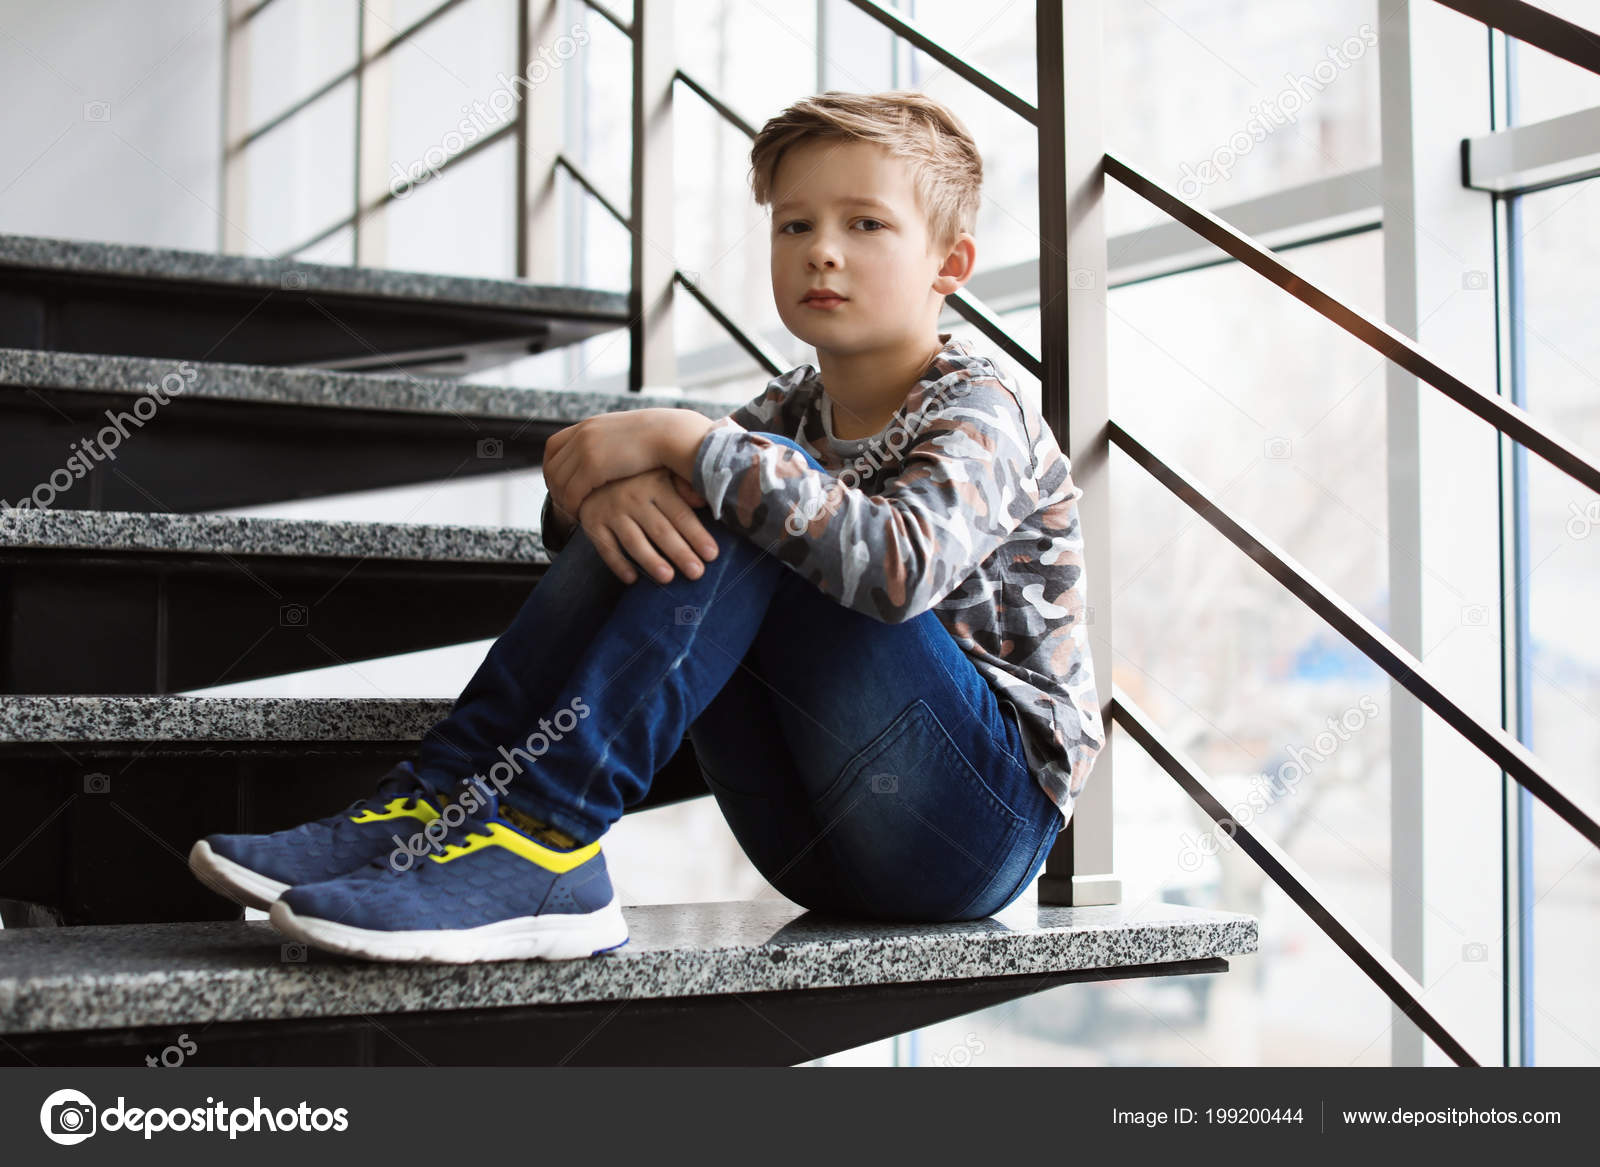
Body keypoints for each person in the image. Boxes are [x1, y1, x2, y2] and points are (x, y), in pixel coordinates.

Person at [187, 89, 1104, 964]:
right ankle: (445, 800)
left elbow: (901, 567)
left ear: (949, 264)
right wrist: (591, 499)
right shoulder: (788, 409)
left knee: (743, 482)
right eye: (795, 225)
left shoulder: (981, 406)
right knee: (719, 488)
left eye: (865, 224)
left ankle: (546, 837)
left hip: (969, 830)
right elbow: (645, 538)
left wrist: (681, 439)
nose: (822, 251)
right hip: (801, 836)